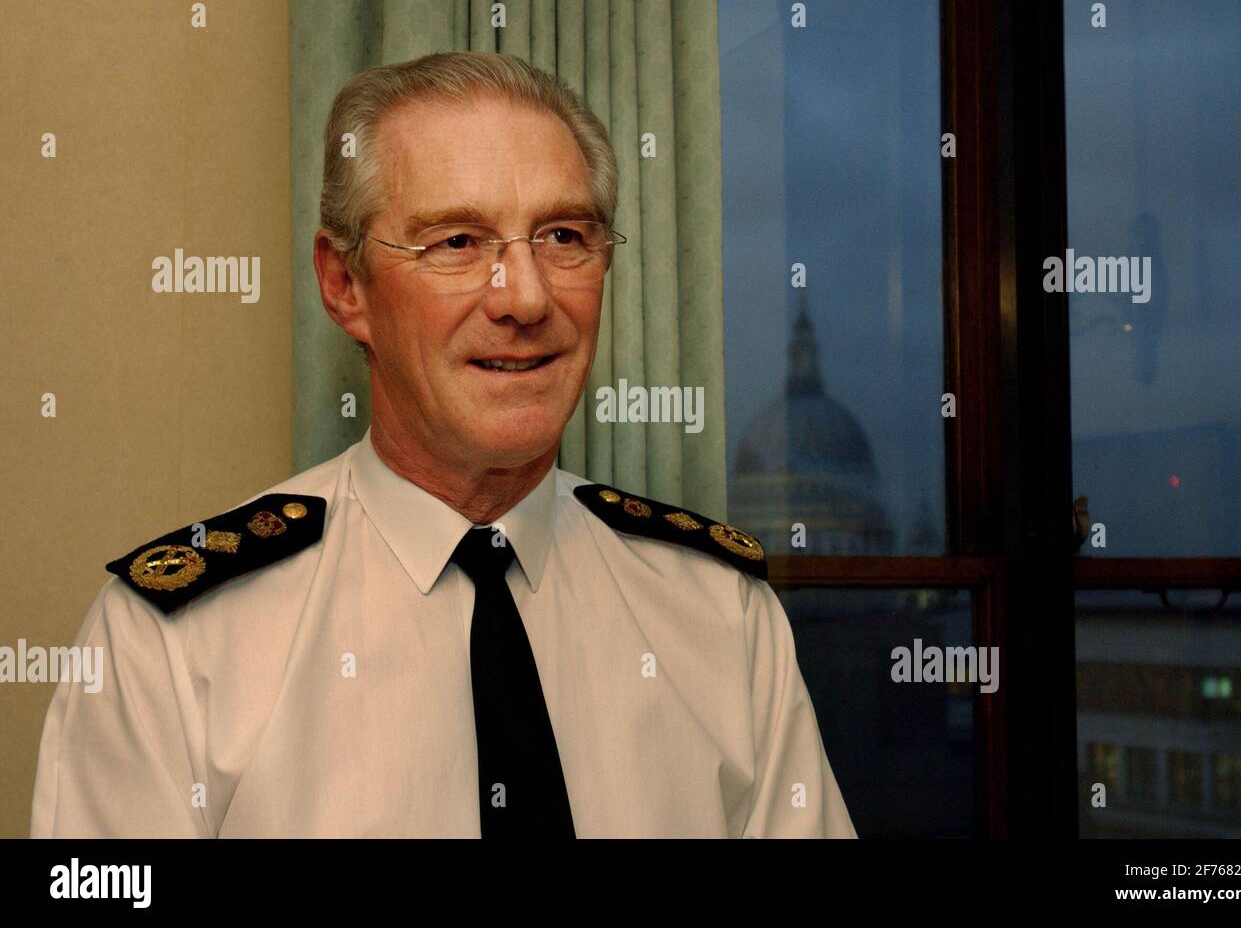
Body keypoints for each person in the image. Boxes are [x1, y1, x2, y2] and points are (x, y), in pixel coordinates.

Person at [31, 51, 856, 838]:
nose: (525, 297)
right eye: (457, 242)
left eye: (564, 236)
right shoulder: (172, 647)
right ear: (344, 285)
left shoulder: (717, 615)